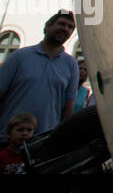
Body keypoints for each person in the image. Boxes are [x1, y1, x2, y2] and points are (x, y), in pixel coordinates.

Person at [0, 12, 79, 146]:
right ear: (47, 27)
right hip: (8, 140)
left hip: (43, 143)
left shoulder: (71, 65)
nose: (65, 28)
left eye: (70, 27)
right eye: (61, 24)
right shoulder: (19, 57)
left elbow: (67, 109)